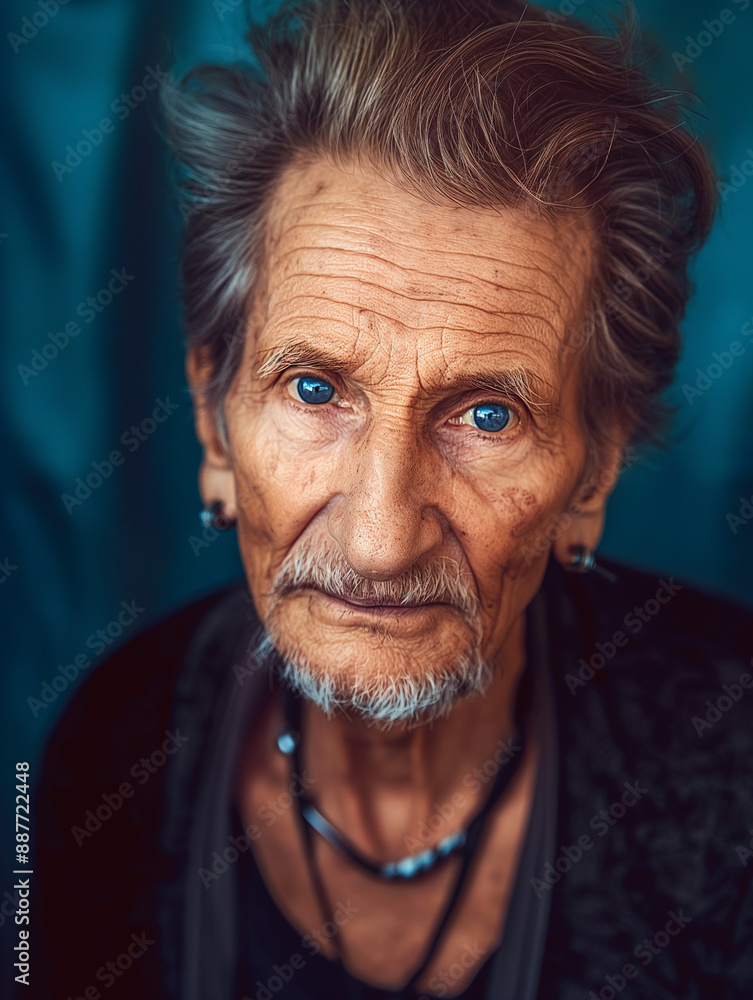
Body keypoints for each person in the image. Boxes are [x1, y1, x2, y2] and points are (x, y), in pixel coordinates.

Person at [30, 0, 753, 998]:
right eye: (316, 389)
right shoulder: (114, 752)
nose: (378, 541)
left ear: (592, 474)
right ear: (211, 420)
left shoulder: (733, 776)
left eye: (488, 416)